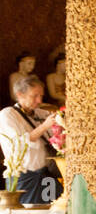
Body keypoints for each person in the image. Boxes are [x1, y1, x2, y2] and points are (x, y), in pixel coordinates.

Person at [0, 75, 62, 204]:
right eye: (34, 96)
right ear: (20, 95)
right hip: (24, 177)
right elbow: (18, 143)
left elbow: (54, 135)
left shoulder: (41, 113)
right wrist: (45, 126)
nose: (39, 100)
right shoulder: (7, 114)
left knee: (52, 212)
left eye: (41, 96)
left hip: (47, 175)